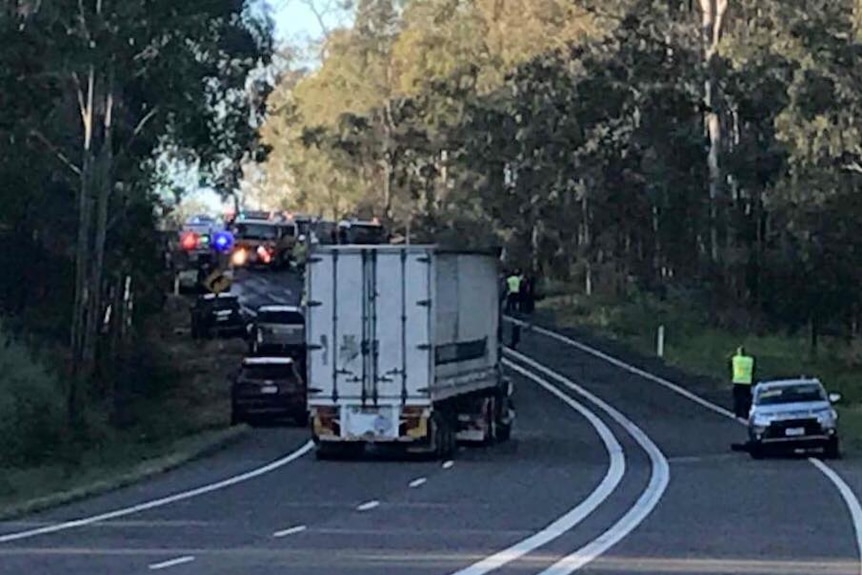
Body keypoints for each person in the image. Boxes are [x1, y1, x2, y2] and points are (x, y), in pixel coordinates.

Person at [731, 346, 755, 418]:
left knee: (737, 398)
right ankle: (747, 414)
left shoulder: (735, 359)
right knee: (747, 399)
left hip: (737, 380)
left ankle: (737, 413)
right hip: (747, 381)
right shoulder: (750, 360)